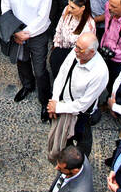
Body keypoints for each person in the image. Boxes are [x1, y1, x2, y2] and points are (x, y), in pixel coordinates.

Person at [1, 0, 53, 120]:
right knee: (21, 61)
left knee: (40, 68)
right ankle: (27, 86)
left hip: (37, 34)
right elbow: (5, 6)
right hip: (17, 30)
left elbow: (43, 17)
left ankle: (45, 101)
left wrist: (26, 33)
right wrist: (15, 31)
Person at [46, 29, 109, 160]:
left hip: (80, 114)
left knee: (83, 141)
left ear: (92, 52)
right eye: (76, 46)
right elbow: (61, 76)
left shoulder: (100, 72)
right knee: (63, 141)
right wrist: (55, 100)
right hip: (63, 105)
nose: (75, 50)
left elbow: (83, 104)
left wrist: (57, 108)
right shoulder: (76, 53)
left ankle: (79, 166)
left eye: (80, 49)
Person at [49, 0, 92, 82]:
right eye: (68, 4)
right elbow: (59, 27)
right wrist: (56, 46)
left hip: (75, 58)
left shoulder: (88, 26)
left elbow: (86, 50)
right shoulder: (67, 11)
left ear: (82, 8)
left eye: (73, 7)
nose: (69, 8)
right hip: (61, 48)